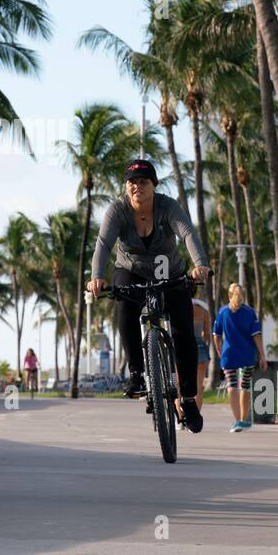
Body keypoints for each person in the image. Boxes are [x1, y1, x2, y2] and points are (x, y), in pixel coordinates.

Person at [86, 158, 212, 432]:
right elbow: (104, 243)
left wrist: (199, 264)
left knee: (182, 329)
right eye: (132, 182)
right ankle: (136, 375)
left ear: (154, 185)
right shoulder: (117, 210)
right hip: (130, 270)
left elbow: (187, 233)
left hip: (169, 271)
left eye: (143, 182)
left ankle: (188, 398)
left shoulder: (167, 206)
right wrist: (97, 276)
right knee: (126, 308)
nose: (137, 187)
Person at [214, 282, 267, 432]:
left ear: (229, 295)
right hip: (247, 354)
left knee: (232, 385)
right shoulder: (250, 312)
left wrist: (219, 351)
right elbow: (256, 335)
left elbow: (216, 336)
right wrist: (262, 356)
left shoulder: (222, 312)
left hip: (228, 354)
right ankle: (244, 421)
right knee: (245, 385)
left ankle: (237, 421)